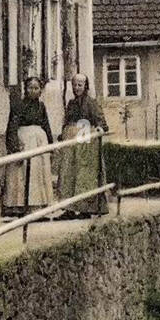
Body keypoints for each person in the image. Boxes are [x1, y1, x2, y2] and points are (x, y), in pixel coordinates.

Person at [2, 77, 54, 219]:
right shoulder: (18, 105)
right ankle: (18, 207)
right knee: (21, 174)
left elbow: (46, 125)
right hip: (24, 141)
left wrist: (51, 145)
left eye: (36, 88)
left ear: (40, 90)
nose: (33, 91)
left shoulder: (41, 106)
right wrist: (14, 147)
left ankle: (37, 208)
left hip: (39, 143)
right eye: (30, 87)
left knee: (38, 174)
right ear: (26, 89)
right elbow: (12, 126)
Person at [58, 73, 106, 217]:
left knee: (84, 174)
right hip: (70, 142)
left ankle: (86, 208)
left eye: (80, 85)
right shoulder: (71, 103)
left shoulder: (91, 102)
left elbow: (101, 121)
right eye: (74, 85)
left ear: (86, 86)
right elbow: (66, 121)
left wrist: (100, 128)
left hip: (85, 141)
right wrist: (63, 134)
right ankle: (69, 209)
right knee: (68, 173)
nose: (77, 88)